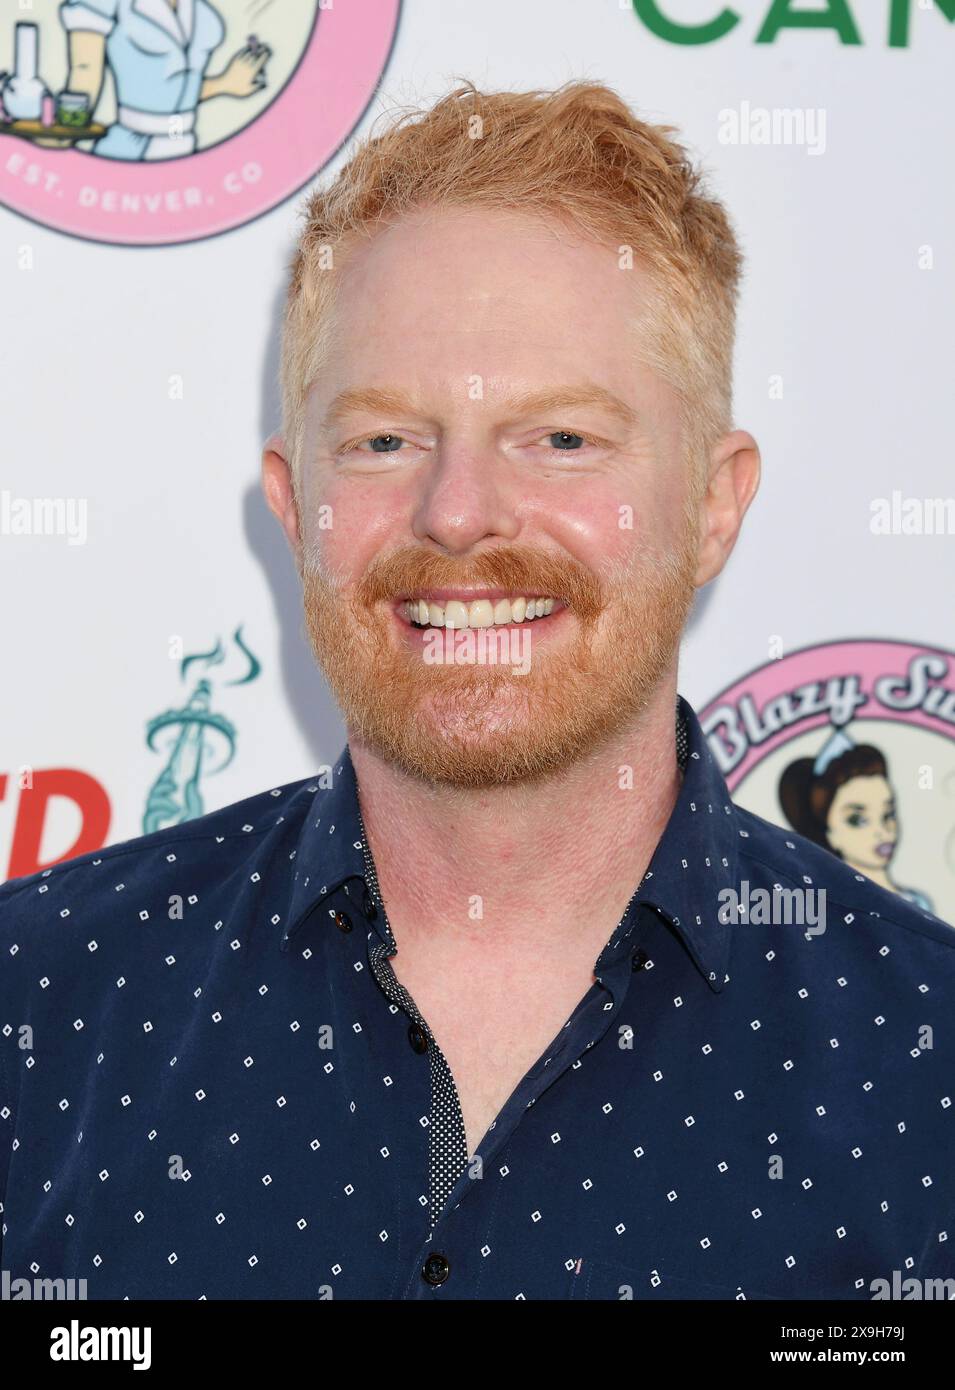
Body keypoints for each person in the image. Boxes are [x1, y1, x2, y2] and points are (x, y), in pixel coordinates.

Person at [1, 80, 952, 1301]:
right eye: (386, 441)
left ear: (711, 509)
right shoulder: (43, 1006)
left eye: (559, 439)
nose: (457, 513)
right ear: (296, 509)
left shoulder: (921, 1062)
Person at [57, 0, 269, 160]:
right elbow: (84, 73)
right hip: (132, 144)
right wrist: (65, 129)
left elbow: (175, 87)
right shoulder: (107, 5)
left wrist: (226, 83)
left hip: (181, 138)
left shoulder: (199, 10)